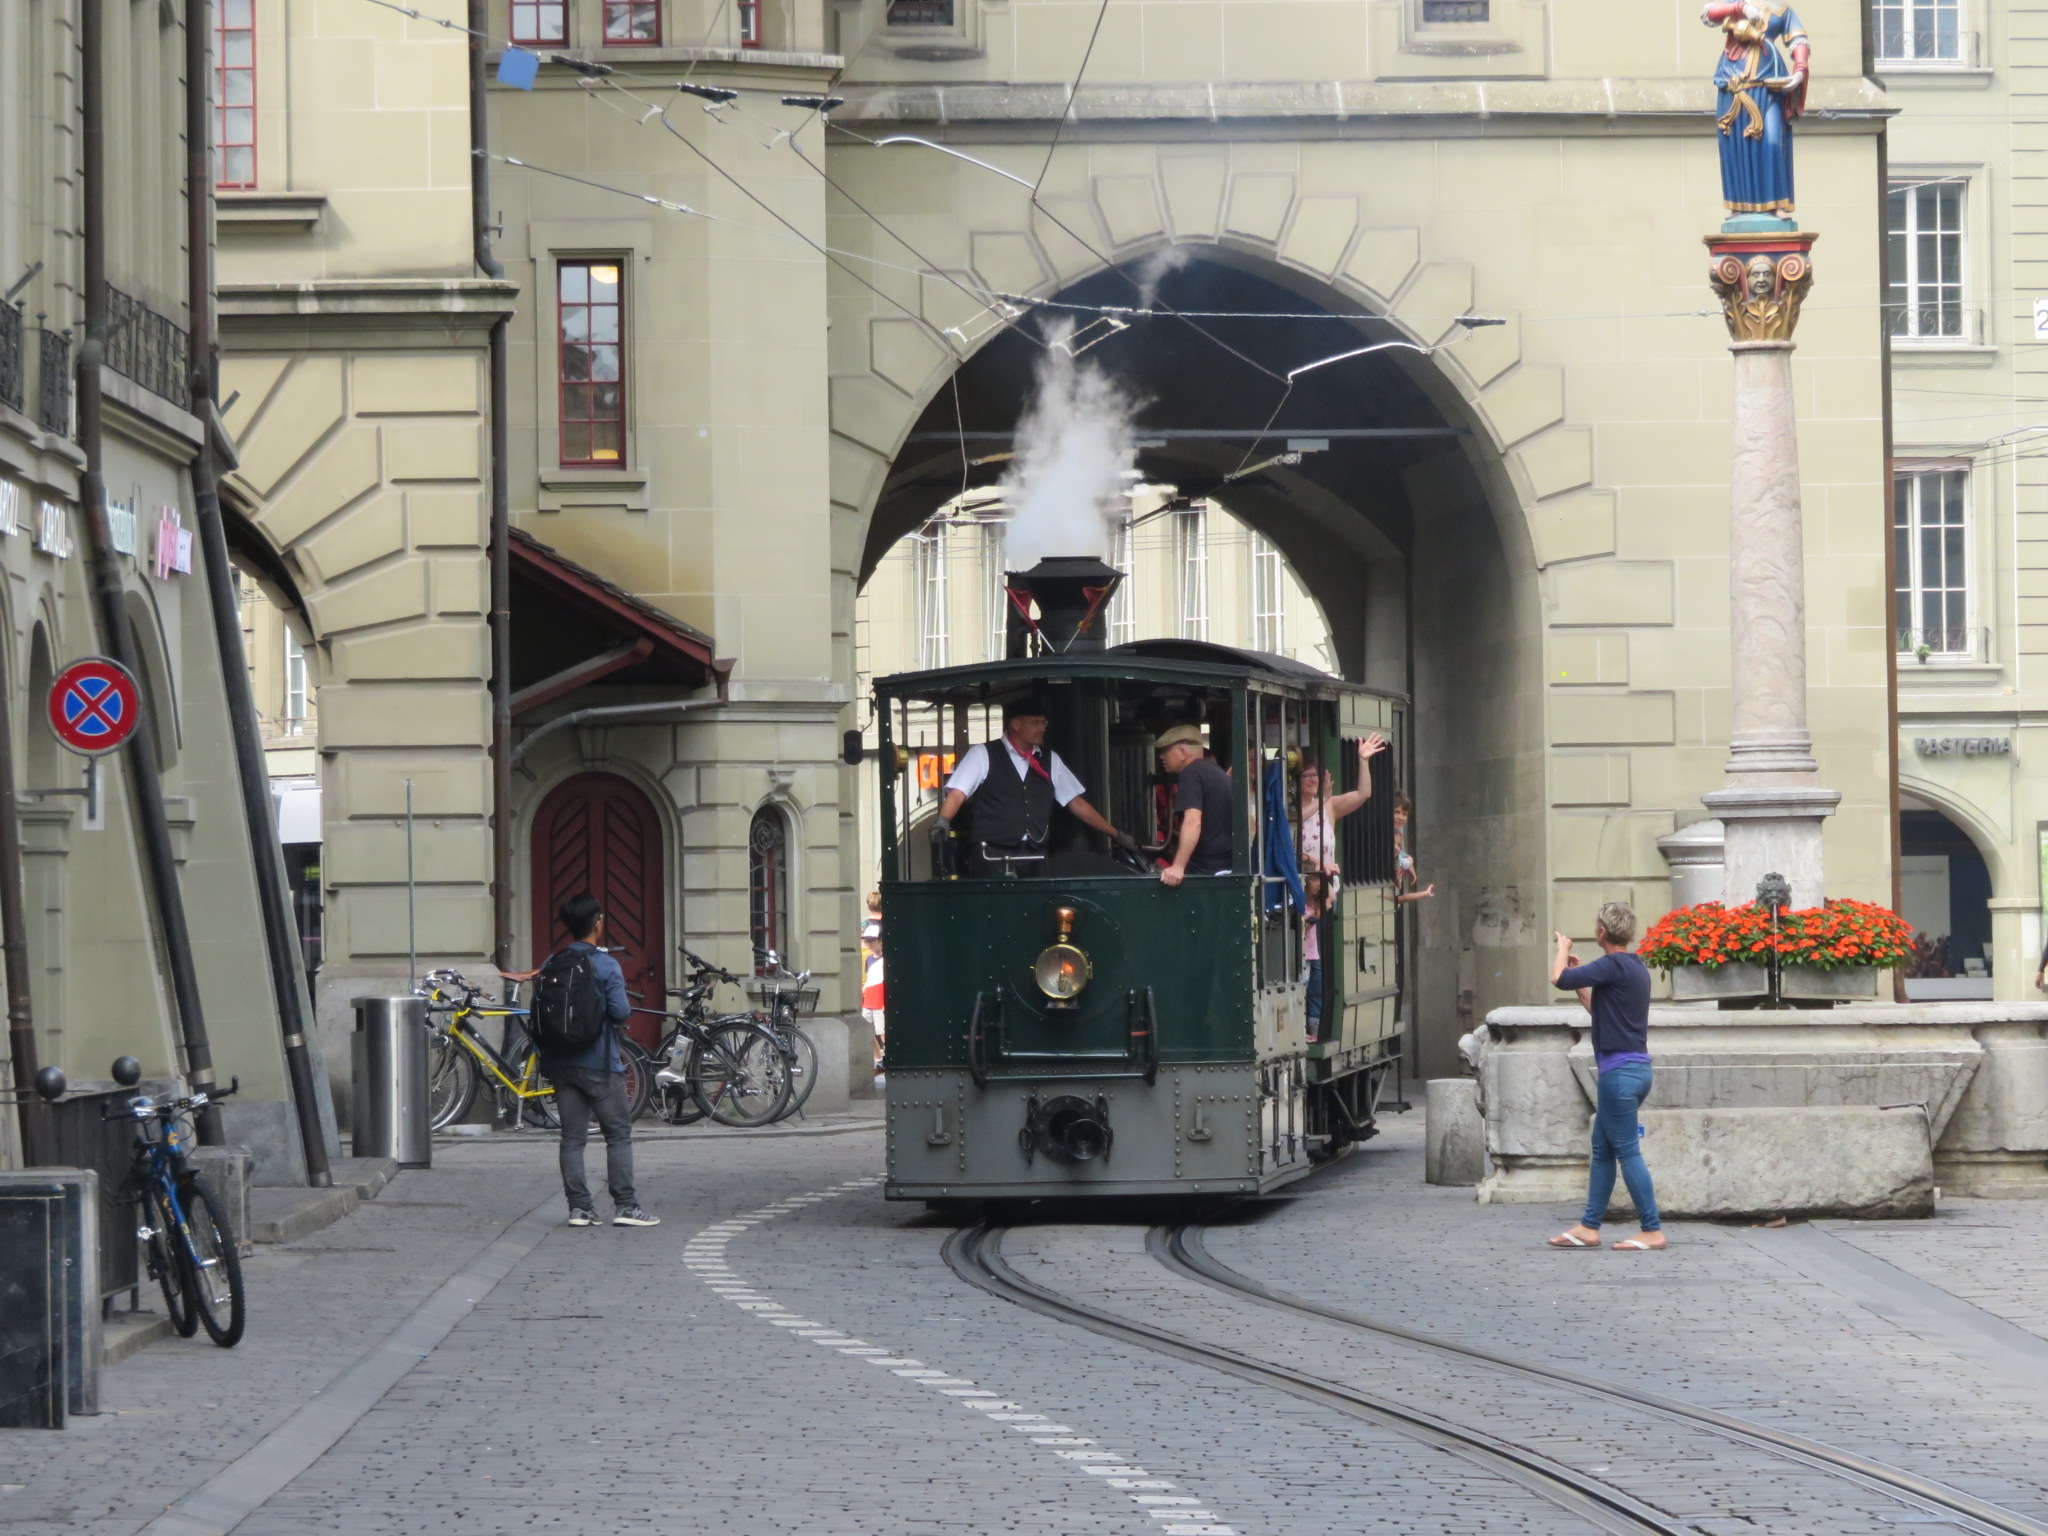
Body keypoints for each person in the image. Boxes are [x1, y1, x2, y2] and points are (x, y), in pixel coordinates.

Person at [1547, 902, 1663, 1251]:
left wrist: (1562, 949)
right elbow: (1599, 1012)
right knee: (1602, 1148)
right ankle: (1589, 1227)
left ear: (1601, 932)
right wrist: (1583, 983)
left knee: (1627, 1152)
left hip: (1619, 1075)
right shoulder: (1635, 967)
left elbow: (1557, 979)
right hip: (1636, 1071)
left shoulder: (1610, 965)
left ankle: (1652, 1230)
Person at [539, 893, 659, 1229]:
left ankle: (580, 1209)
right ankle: (626, 1206)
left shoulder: (551, 962)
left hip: (561, 1061)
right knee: (617, 1134)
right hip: (600, 1062)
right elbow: (621, 1011)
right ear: (598, 924)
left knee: (572, 1138)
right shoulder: (606, 965)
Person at [935, 697, 1131, 876]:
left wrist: (1116, 835)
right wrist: (943, 822)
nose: (1042, 728)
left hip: (1035, 854)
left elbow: (1076, 803)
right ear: (1016, 724)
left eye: (1043, 723)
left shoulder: (1050, 760)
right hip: (991, 855)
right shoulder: (982, 754)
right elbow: (957, 794)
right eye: (1035, 722)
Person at [1156, 724, 1234, 887]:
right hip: (1222, 867)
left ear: (1182, 752)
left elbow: (1193, 821)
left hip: (1205, 871)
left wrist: (1178, 866)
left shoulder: (1191, 773)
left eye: (1165, 751)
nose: (1161, 757)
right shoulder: (1215, 772)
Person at [1299, 734, 1387, 876]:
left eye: (1315, 775)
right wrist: (1323, 798)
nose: (1313, 780)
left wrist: (1363, 761)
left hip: (1326, 882)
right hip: (1301, 881)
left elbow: (1363, 794)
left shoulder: (1329, 805)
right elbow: (1294, 833)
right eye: (1306, 776)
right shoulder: (1289, 807)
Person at [1302, 868, 1332, 1041]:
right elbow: (1301, 931)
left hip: (1315, 953)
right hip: (1303, 954)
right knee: (1303, 990)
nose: (1318, 885)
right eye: (1314, 879)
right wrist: (1315, 917)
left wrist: (1325, 872)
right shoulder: (1299, 904)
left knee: (1316, 992)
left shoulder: (1318, 903)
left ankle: (1314, 1029)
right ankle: (1301, 1028)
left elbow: (1332, 897)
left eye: (1320, 880)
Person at [1392, 794, 1435, 905]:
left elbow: (1401, 856)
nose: (1400, 817)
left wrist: (1408, 860)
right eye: (1396, 812)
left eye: (1404, 814)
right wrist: (1408, 862)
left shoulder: (1398, 831)